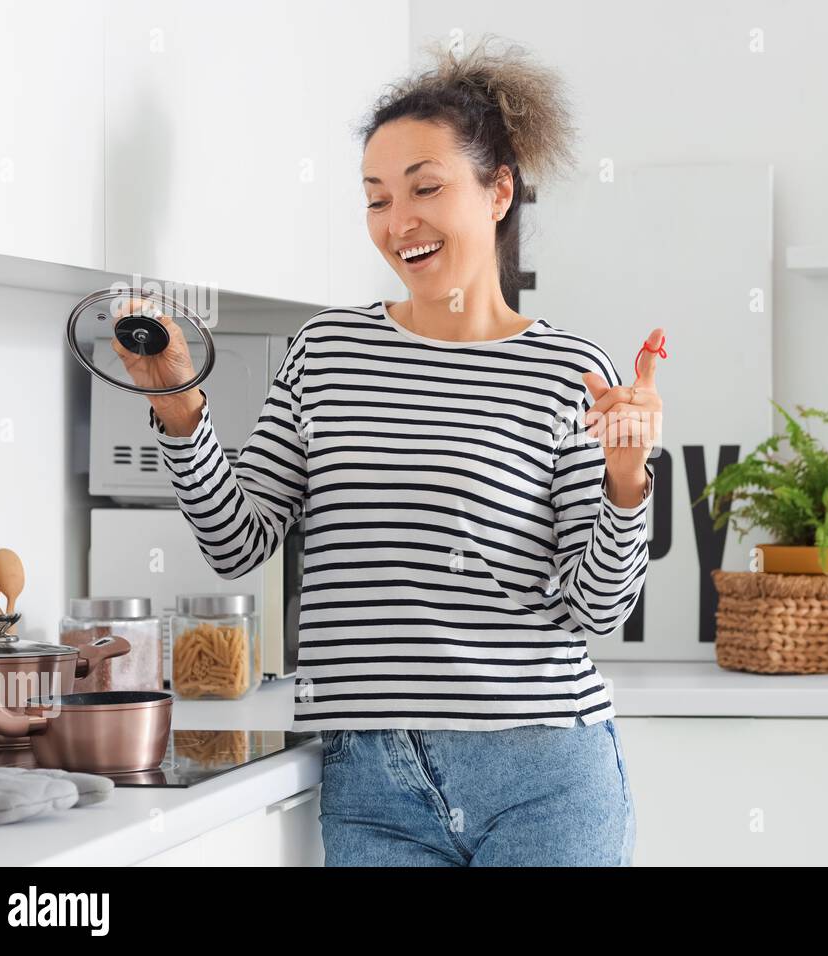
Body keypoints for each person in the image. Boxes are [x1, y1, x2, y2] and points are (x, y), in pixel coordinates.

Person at [113, 34, 665, 866]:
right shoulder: (326, 351)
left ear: (499, 192)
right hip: (371, 784)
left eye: (425, 188)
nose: (397, 221)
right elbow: (238, 544)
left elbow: (599, 609)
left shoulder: (570, 370)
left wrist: (627, 485)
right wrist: (178, 404)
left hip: (544, 774)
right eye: (375, 198)